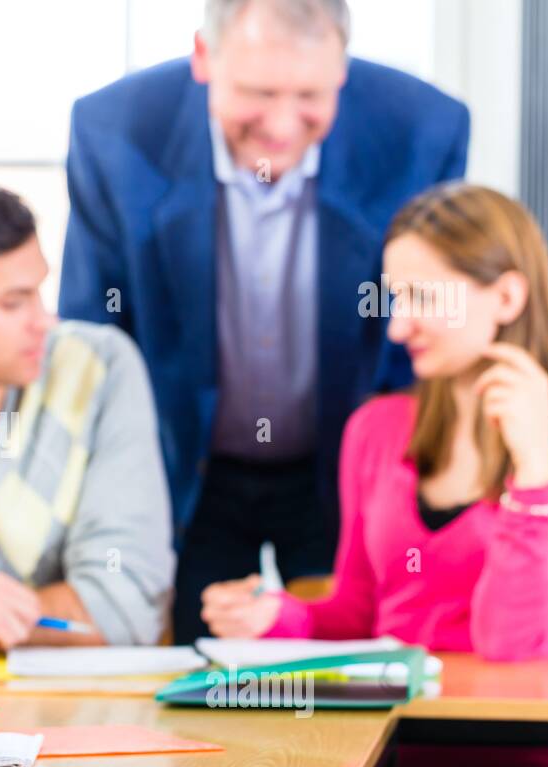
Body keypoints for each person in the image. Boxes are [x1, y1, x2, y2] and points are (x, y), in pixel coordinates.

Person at [202, 183, 548, 767]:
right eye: (396, 299)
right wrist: (275, 617)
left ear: (507, 299)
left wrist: (534, 474)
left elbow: (512, 645)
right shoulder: (376, 430)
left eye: (423, 299)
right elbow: (360, 613)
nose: (397, 327)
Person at [59, 0, 470, 642]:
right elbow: (93, 335)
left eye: (309, 94)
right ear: (204, 57)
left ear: (343, 70)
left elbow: (423, 337)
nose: (281, 124)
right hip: (186, 465)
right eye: (257, 92)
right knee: (195, 676)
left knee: (356, 671)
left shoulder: (422, 129)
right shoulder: (114, 132)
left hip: (344, 458)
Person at [0, 174, 174, 656]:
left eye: (39, 292)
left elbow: (129, 604)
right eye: (13, 303)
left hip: (73, 714)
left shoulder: (101, 367)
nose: (43, 322)